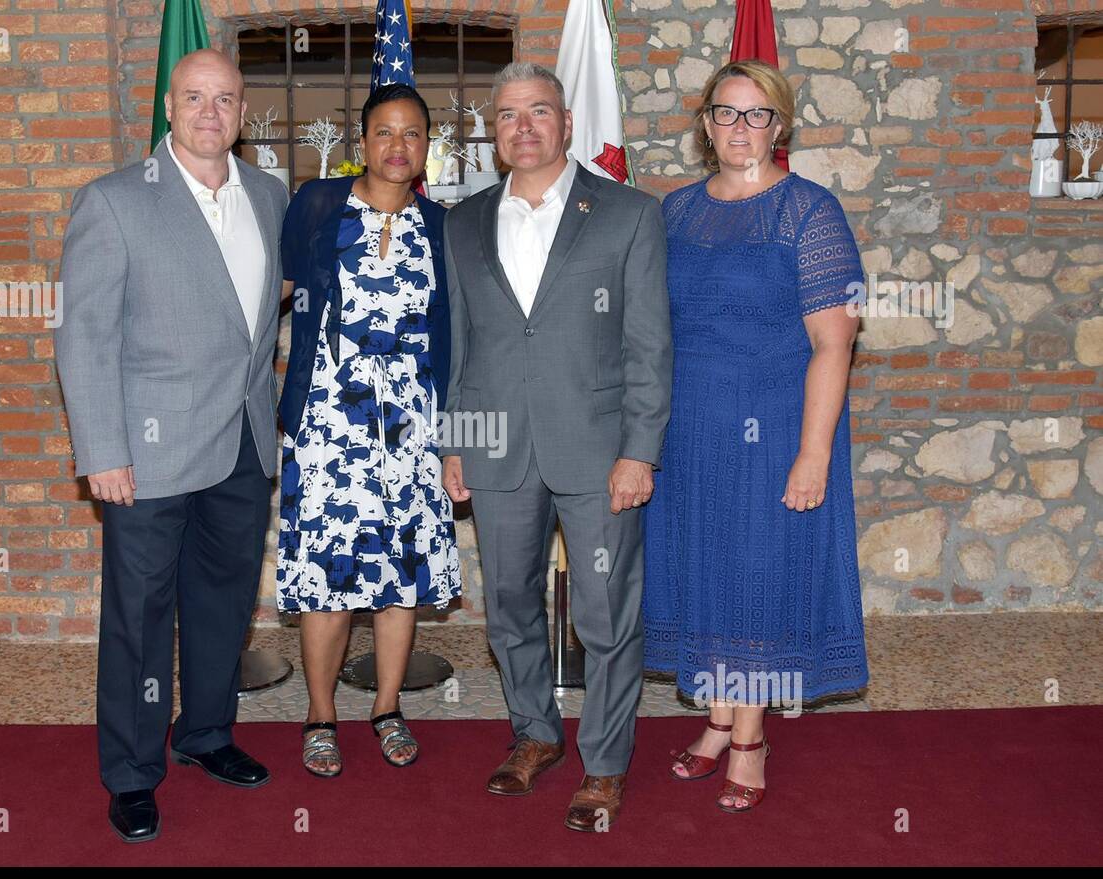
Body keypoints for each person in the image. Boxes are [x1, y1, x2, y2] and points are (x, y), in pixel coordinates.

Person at [54, 49, 288, 843]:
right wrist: (102, 451)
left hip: (243, 444)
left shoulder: (270, 195)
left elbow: (254, 320)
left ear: (242, 111)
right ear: (168, 104)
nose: (211, 112)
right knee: (140, 619)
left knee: (224, 606)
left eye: (225, 99)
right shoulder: (115, 202)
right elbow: (82, 338)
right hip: (147, 455)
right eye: (195, 97)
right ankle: (130, 772)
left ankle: (207, 734)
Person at [441, 62, 672, 831]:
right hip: (497, 447)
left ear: (567, 124)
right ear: (494, 132)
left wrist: (640, 450)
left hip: (600, 450)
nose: (525, 126)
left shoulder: (628, 214)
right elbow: (459, 347)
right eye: (508, 115)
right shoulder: (463, 220)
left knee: (605, 615)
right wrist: (455, 443)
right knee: (509, 606)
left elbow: (649, 346)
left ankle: (604, 765)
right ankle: (535, 734)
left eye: (540, 111)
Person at [642, 59, 869, 813]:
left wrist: (813, 453)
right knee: (708, 568)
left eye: (757, 114)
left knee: (758, 576)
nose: (741, 128)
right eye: (727, 113)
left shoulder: (809, 211)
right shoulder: (672, 211)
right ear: (705, 123)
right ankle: (715, 720)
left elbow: (834, 344)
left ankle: (750, 737)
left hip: (775, 425)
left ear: (781, 125)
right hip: (692, 429)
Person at [278, 84, 461, 778]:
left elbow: (456, 336)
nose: (397, 147)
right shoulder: (316, 205)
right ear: (361, 142)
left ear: (426, 149)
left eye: (412, 134)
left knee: (398, 575)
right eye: (384, 133)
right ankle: (320, 714)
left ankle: (387, 707)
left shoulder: (442, 227)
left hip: (413, 425)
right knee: (328, 575)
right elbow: (282, 296)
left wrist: (456, 436)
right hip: (329, 421)